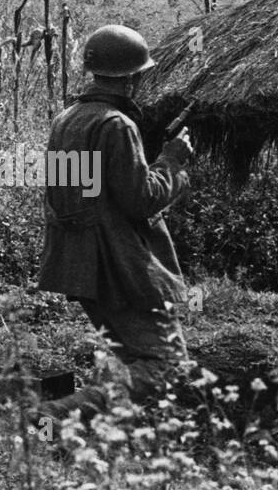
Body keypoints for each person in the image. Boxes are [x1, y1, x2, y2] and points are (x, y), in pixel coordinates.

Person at [34, 25, 194, 423]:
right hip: (118, 266)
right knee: (166, 365)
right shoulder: (116, 125)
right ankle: (55, 416)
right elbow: (139, 200)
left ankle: (127, 436)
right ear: (134, 78)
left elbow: (74, 195)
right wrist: (172, 161)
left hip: (81, 266)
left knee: (128, 358)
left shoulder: (65, 119)